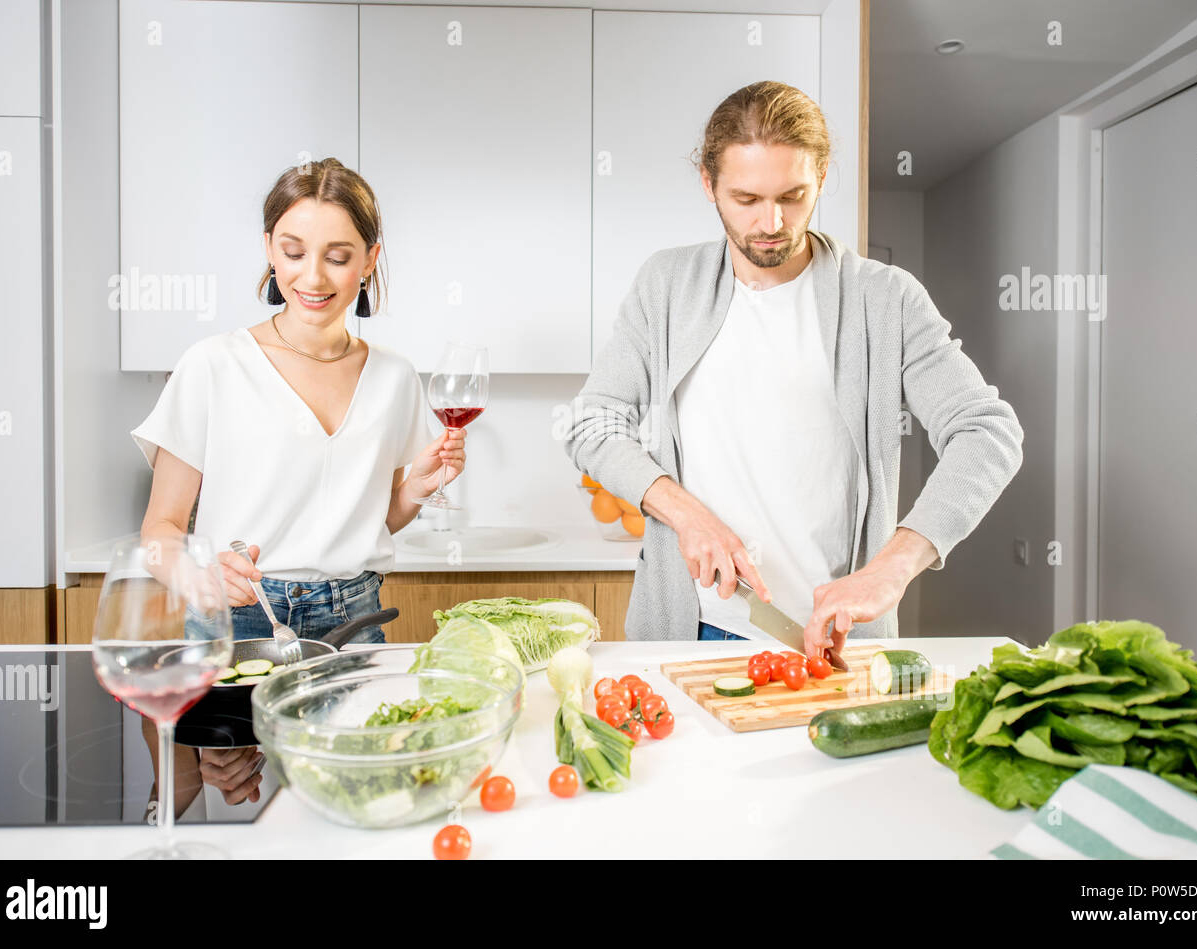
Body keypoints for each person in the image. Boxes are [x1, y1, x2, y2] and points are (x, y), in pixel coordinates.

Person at [564, 82, 1023, 664]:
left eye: (793, 195)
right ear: (709, 186)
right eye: (746, 199)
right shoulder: (666, 285)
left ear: (822, 177)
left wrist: (894, 565)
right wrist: (686, 515)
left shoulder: (885, 300)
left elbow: (989, 433)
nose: (771, 222)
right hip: (694, 627)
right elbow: (592, 423)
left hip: (833, 642)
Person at [131, 157, 466, 805]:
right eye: (293, 251)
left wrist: (417, 488)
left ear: (370, 258)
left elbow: (378, 517)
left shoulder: (395, 376)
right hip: (237, 625)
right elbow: (160, 530)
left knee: (360, 800)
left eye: (338, 256)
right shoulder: (213, 366)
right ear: (268, 250)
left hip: (354, 622)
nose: (312, 277)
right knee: (238, 807)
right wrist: (199, 576)